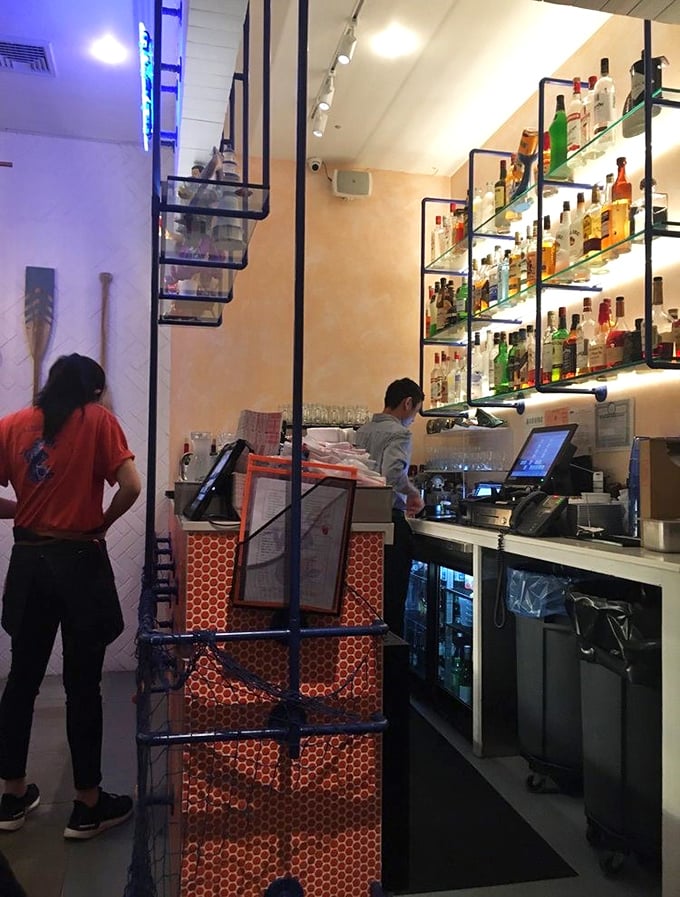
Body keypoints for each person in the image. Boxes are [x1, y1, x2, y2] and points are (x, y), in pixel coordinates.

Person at [0, 353, 141, 840]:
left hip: (28, 562)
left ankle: (11, 796)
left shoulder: (13, 424)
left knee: (22, 682)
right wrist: (102, 522)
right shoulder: (99, 420)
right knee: (84, 686)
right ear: (94, 392)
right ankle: (86, 805)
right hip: (80, 563)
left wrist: (26, 508)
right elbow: (132, 486)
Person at [355, 378, 425, 635]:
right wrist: (413, 492)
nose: (412, 420)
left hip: (361, 523)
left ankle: (373, 664)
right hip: (389, 523)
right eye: (415, 412)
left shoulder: (361, 431)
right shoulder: (400, 433)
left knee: (370, 601)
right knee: (392, 603)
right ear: (408, 403)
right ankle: (392, 666)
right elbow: (393, 475)